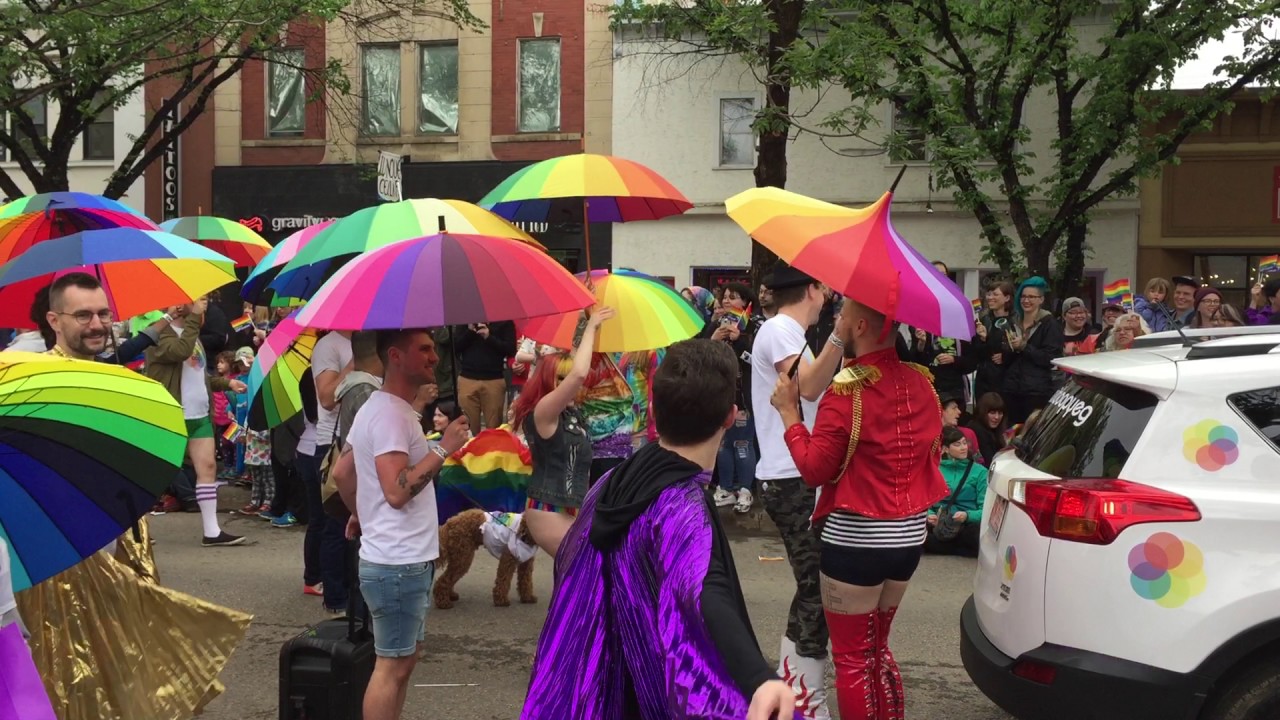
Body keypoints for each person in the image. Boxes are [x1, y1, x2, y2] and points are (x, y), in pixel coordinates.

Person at [521, 339, 798, 720]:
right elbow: (705, 588)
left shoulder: (616, 479)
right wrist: (758, 679)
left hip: (600, 680)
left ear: (653, 407)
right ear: (730, 417)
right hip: (633, 685)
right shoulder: (679, 503)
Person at [771, 298, 947, 720]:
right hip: (907, 536)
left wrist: (790, 413)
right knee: (877, 649)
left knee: (851, 660)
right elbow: (932, 456)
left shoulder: (848, 388)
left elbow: (814, 470)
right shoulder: (922, 381)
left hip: (856, 538)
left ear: (862, 325)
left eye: (844, 317)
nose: (839, 322)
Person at [332, 329, 470, 720]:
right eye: (424, 350)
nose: (435, 358)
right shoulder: (392, 414)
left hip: (397, 558)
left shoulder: (379, 407)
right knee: (391, 667)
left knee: (402, 661)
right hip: (398, 562)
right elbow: (396, 490)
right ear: (395, 355)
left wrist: (362, 511)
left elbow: (344, 472)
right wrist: (444, 447)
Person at [750, 262, 845, 719]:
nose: (827, 293)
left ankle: (794, 687)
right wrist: (841, 335)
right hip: (790, 474)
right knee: (817, 588)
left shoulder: (786, 331)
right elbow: (807, 388)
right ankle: (802, 698)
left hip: (797, 471)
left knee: (815, 585)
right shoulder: (781, 329)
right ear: (812, 288)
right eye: (823, 286)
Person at [145, 297, 248, 547]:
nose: (203, 304)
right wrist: (192, 319)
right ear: (178, 304)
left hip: (199, 414)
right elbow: (178, 351)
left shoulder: (194, 334)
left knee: (208, 469)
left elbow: (200, 375)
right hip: (172, 414)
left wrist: (227, 383)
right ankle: (137, 529)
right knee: (154, 474)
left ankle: (211, 531)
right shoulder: (159, 335)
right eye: (197, 299)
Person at [512, 307, 615, 556]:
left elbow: (576, 363)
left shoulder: (569, 413)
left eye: (565, 378)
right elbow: (579, 373)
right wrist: (592, 327)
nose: (567, 384)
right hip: (548, 508)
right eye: (560, 379)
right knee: (582, 570)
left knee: (577, 579)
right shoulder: (543, 411)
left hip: (573, 504)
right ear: (546, 381)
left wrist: (584, 319)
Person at [705, 281, 764, 513]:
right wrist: (713, 341)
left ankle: (745, 489)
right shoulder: (715, 326)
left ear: (746, 303)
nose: (727, 300)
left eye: (734, 297)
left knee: (742, 443)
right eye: (726, 296)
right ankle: (726, 488)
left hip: (744, 398)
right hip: (719, 396)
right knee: (722, 445)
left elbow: (757, 362)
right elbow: (701, 359)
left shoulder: (756, 328)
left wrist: (739, 340)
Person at [309, 330, 354, 606]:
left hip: (363, 441)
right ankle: (337, 599)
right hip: (333, 444)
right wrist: (357, 362)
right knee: (337, 523)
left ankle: (357, 595)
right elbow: (326, 398)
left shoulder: (376, 339)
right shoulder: (328, 345)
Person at [1001, 276, 1063, 425]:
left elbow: (1050, 358)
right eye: (1023, 296)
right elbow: (1007, 358)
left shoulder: (1050, 324)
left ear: (1041, 300)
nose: (1026, 300)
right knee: (1012, 432)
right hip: (1012, 389)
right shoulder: (1013, 322)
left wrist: (1024, 347)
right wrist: (1009, 347)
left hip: (1036, 391)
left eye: (1031, 297)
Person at [924, 427, 988, 557]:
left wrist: (967, 515)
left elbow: (986, 509)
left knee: (974, 535)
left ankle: (944, 546)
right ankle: (956, 548)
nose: (963, 447)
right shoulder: (935, 469)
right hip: (940, 522)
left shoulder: (980, 471)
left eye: (965, 443)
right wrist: (929, 514)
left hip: (966, 524)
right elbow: (925, 501)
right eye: (957, 444)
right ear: (945, 449)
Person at [454, 320, 516, 430]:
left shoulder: (504, 320)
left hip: (494, 379)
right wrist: (470, 331)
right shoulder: (465, 318)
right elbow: (455, 347)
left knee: (494, 428)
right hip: (467, 378)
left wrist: (489, 337)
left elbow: (510, 349)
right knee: (467, 427)